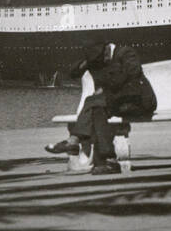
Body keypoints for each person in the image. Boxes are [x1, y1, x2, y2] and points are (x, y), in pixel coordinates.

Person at [47, 41, 157, 175]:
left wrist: (106, 88)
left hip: (140, 101)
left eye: (101, 59)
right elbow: (73, 73)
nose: (101, 63)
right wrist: (86, 63)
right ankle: (108, 160)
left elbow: (133, 74)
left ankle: (75, 141)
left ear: (106, 49)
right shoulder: (99, 57)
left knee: (94, 102)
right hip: (118, 102)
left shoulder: (126, 53)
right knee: (97, 109)